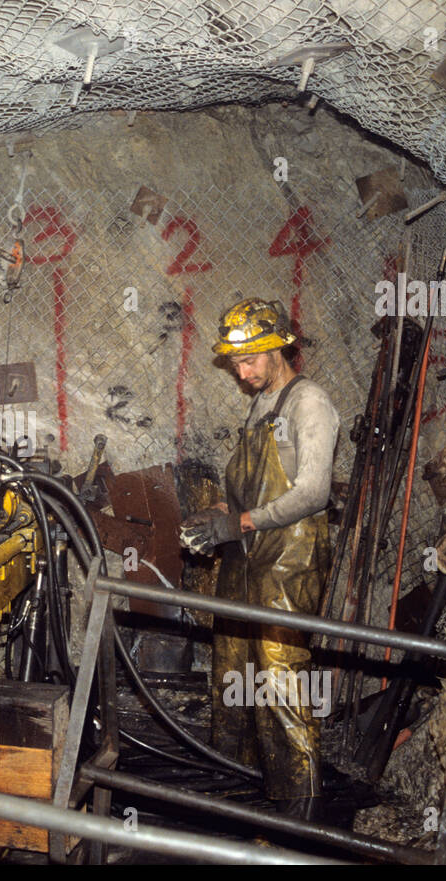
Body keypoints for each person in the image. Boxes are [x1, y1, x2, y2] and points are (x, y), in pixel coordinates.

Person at [181, 298, 339, 820]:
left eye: (250, 360)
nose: (242, 372)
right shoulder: (260, 406)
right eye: (235, 363)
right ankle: (244, 781)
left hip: (291, 555)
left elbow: (312, 492)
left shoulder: (307, 402)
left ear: (279, 348)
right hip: (249, 555)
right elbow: (253, 490)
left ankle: (302, 804)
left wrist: (241, 523)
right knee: (232, 661)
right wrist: (219, 515)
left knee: (278, 670)